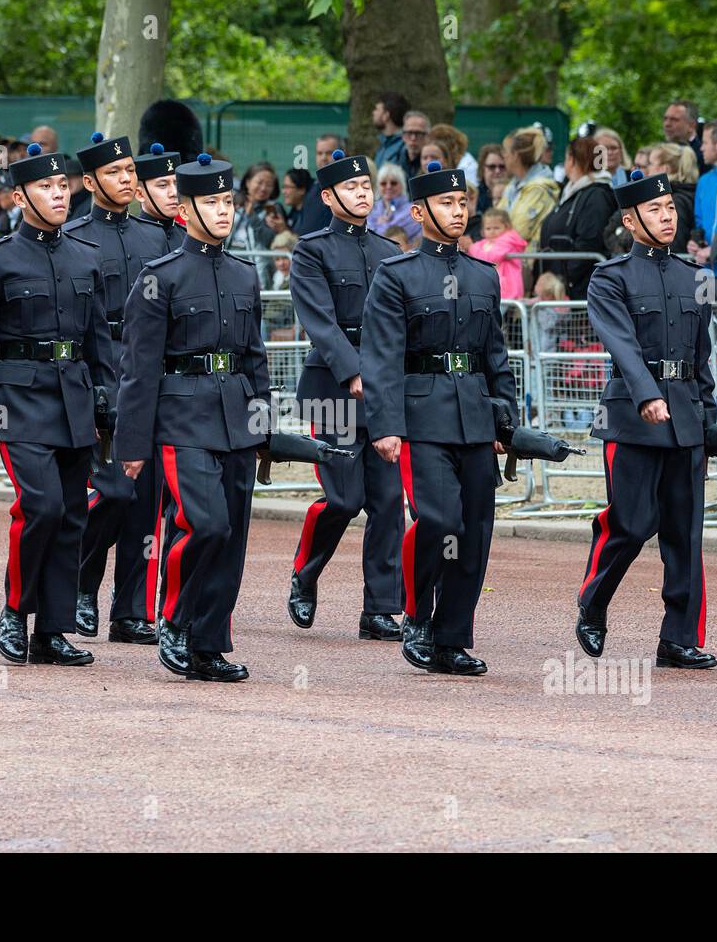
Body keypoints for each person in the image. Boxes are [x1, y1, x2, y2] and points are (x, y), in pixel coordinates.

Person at [0, 143, 113, 666]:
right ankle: (15, 611)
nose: (58, 195)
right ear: (19, 196)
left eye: (64, 187)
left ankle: (52, 631)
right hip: (17, 400)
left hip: (75, 399)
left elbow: (99, 340)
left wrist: (111, 405)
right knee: (40, 506)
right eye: (46, 187)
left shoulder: (87, 257)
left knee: (71, 516)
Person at [113, 153, 271, 682]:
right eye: (212, 202)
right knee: (206, 524)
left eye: (228, 202)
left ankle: (209, 643)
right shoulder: (161, 278)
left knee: (232, 536)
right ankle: (176, 621)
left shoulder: (244, 274)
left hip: (235, 419)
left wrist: (262, 426)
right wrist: (132, 445)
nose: (224, 212)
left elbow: (255, 359)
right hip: (181, 418)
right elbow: (138, 369)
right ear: (184, 210)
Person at [362, 160, 520, 676]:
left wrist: (506, 421)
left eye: (462, 203)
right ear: (418, 211)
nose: (457, 211)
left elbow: (495, 354)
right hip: (420, 418)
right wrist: (384, 424)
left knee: (473, 533)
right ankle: (415, 613)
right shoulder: (396, 275)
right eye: (446, 203)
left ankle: (452, 638)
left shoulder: (483, 275)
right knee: (439, 519)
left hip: (474, 416)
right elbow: (382, 356)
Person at [574, 170, 717, 670]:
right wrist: (645, 394)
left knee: (685, 532)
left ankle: (678, 638)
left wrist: (711, 419)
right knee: (632, 525)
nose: (667, 217)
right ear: (632, 221)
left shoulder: (694, 276)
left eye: (671, 210)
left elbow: (702, 358)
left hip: (684, 417)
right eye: (656, 211)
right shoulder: (610, 278)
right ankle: (593, 599)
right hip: (634, 418)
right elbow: (622, 345)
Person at [287, 150, 405, 641]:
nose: (362, 194)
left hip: (384, 389)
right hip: (332, 389)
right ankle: (305, 573)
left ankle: (380, 608)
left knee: (387, 499)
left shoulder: (390, 253)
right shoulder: (310, 250)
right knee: (343, 497)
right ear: (329, 197)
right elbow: (319, 320)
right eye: (351, 189)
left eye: (366, 187)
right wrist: (355, 371)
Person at [66, 132, 169, 645]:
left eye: (131, 171)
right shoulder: (75, 236)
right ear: (89, 182)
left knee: (146, 499)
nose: (127, 180)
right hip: (94, 373)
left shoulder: (155, 237)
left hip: (145, 376)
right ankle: (83, 582)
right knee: (111, 491)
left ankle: (132, 610)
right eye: (115, 173)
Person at [538, 134, 616, 300]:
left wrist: (563, 279)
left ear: (572, 160)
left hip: (579, 293)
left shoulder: (597, 195)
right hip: (558, 289)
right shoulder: (570, 192)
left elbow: (589, 243)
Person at [499, 126, 559, 243]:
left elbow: (519, 232)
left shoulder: (539, 189)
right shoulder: (512, 186)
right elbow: (494, 222)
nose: (503, 156)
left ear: (515, 155)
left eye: (505, 151)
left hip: (522, 259)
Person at [644, 142, 698, 254]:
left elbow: (672, 245)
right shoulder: (683, 194)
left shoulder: (674, 201)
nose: (646, 168)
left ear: (665, 169)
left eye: (650, 163)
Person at [134, 142, 185, 252]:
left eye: (177, 184)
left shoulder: (188, 238)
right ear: (140, 194)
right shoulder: (130, 239)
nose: (174, 192)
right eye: (163, 185)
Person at [467, 207, 527, 300]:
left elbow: (490, 257)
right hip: (492, 288)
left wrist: (471, 247)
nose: (492, 231)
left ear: (506, 227)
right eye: (488, 228)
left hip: (507, 289)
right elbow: (478, 248)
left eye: (496, 228)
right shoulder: (486, 242)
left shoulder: (508, 240)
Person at [369, 163, 419, 244]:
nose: (388, 187)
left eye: (393, 183)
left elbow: (393, 239)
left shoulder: (412, 210)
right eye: (383, 183)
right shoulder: (372, 208)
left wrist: (380, 224)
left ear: (402, 185)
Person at [372, 93, 409, 172]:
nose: (373, 113)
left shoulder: (405, 146)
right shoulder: (383, 146)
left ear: (386, 115)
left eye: (377, 109)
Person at [399, 111, 431, 183]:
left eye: (418, 133)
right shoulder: (395, 161)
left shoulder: (432, 163)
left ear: (427, 136)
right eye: (409, 133)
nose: (413, 138)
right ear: (403, 136)